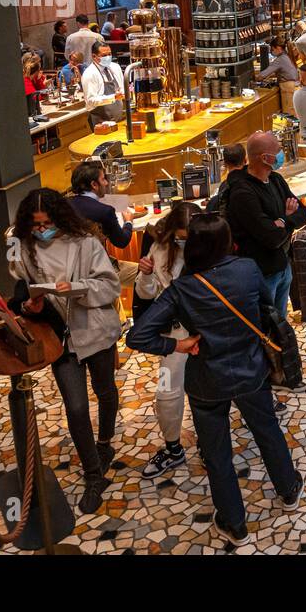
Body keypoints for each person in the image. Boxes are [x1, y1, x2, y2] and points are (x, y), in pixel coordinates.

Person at [127, 213, 303, 545]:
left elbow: (137, 336)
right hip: (250, 369)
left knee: (217, 451)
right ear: (227, 241)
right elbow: (267, 310)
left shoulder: (183, 289)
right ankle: (289, 490)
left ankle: (234, 523)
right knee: (267, 431)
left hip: (207, 378)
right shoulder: (248, 269)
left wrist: (177, 344)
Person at [5, 187, 122, 513]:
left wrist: (77, 288)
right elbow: (19, 280)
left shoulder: (86, 244)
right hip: (60, 340)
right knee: (75, 407)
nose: (42, 230)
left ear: (60, 219)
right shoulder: (25, 249)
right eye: (36, 225)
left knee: (105, 389)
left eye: (46, 224)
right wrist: (30, 304)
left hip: (95, 332)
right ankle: (93, 474)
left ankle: (105, 443)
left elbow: (110, 286)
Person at [133, 201, 200, 480]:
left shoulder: (209, 249)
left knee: (205, 394)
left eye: (188, 237)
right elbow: (147, 295)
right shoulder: (159, 249)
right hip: (172, 336)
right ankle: (173, 448)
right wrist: (146, 276)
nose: (183, 242)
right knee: (166, 394)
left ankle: (210, 444)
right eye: (179, 236)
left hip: (202, 332)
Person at [218, 135, 306, 314]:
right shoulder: (242, 193)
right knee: (266, 327)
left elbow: (303, 212)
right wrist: (287, 217)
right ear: (265, 158)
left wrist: (283, 221)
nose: (282, 154)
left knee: (280, 323)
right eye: (277, 151)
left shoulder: (276, 179)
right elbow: (271, 238)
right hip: (261, 273)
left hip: (282, 265)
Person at [68, 160, 135, 250]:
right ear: (94, 185)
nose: (106, 183)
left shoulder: (65, 204)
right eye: (103, 179)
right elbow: (121, 242)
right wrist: (128, 222)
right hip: (96, 261)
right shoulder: (105, 211)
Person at [81, 41, 125, 128]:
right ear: (94, 56)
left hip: (119, 117)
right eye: (104, 55)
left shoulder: (115, 67)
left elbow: (121, 87)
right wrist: (113, 97)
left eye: (110, 54)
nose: (108, 57)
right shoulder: (90, 73)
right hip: (101, 121)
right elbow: (91, 100)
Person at [258, 37, 300, 115]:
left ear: (278, 48)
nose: (271, 52)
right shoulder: (287, 55)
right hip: (294, 86)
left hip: (288, 88)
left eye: (272, 49)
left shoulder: (280, 59)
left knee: (290, 115)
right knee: (294, 113)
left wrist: (256, 77)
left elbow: (262, 75)